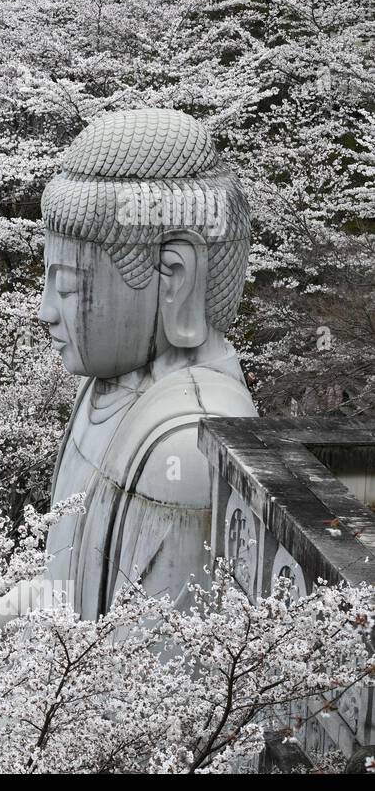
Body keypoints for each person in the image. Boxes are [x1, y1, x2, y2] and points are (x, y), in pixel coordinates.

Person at [38, 109, 257, 619]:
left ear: (174, 278)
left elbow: (141, 683)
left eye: (68, 286)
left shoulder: (186, 448)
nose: (45, 311)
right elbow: (62, 580)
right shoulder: (109, 386)